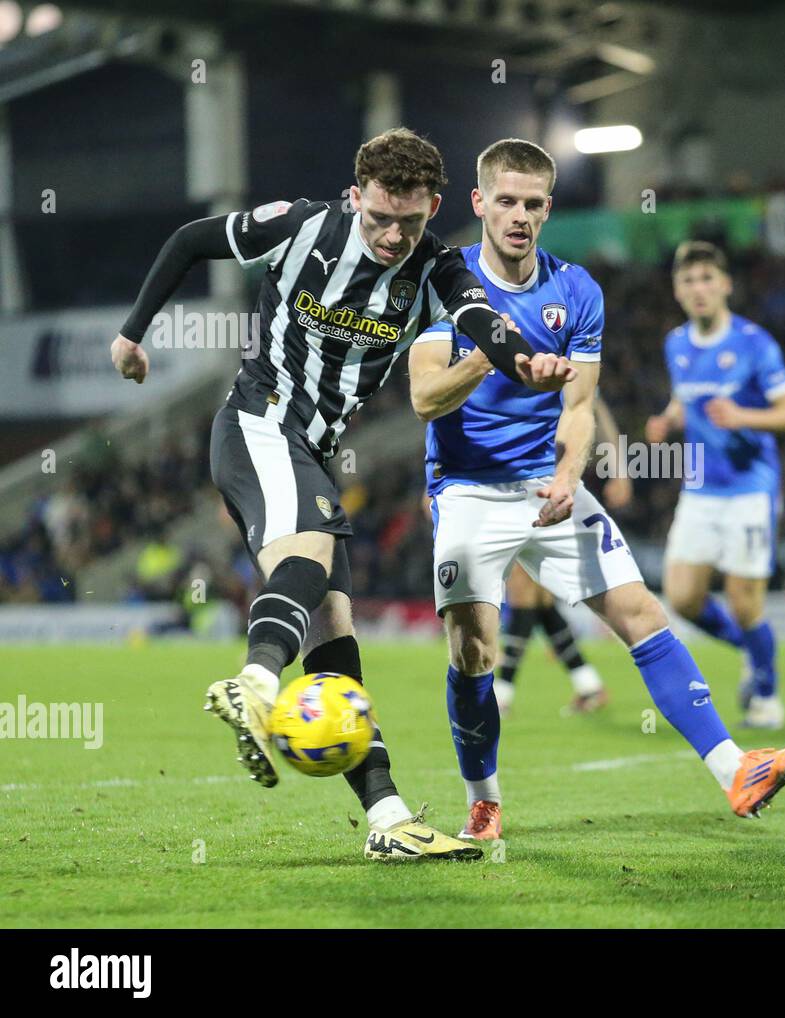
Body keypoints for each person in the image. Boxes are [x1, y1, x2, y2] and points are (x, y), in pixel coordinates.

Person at [109, 127, 572, 862]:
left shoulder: (438, 268)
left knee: (337, 645)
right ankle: (258, 682)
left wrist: (525, 361)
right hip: (257, 422)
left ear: (435, 209)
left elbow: (483, 321)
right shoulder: (302, 226)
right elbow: (194, 239)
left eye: (410, 221)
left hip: (313, 453)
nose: (393, 235)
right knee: (315, 554)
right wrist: (134, 334)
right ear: (355, 196)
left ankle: (387, 817)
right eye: (380, 217)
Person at [409, 138, 785, 841]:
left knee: (642, 610)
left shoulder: (577, 291)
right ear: (478, 203)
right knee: (472, 649)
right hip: (469, 488)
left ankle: (735, 770)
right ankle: (484, 801)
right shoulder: (442, 284)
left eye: (534, 205)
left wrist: (570, 476)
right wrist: (491, 356)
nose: (520, 217)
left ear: (549, 209)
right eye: (505, 201)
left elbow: (579, 406)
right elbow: (424, 399)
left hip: (546, 483)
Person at [646, 242, 785, 728]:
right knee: (683, 598)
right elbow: (685, 396)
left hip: (749, 490)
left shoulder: (754, 343)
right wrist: (669, 419)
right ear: (678, 290)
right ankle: (749, 650)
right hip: (699, 490)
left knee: (744, 602)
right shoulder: (675, 343)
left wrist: (742, 416)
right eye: (689, 281)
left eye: (707, 278)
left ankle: (767, 694)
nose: (699, 288)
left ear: (725, 284)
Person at [494, 395, 632, 717]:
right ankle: (588, 685)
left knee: (523, 590)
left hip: (549, 482)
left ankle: (501, 694)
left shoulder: (561, 357)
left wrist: (619, 470)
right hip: (528, 477)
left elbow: (594, 406)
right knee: (537, 599)